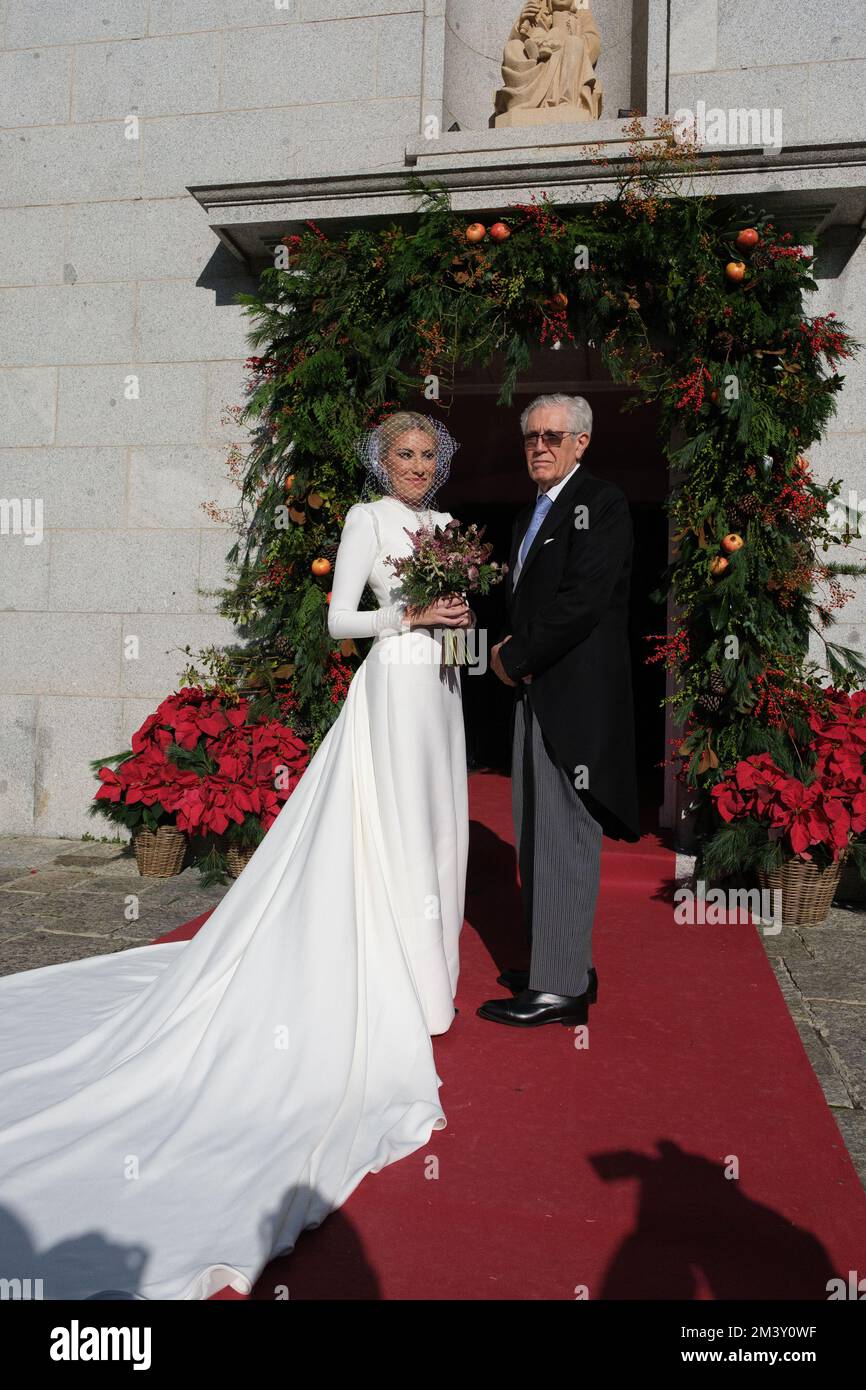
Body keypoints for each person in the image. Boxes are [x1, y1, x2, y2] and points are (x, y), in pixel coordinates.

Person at [0, 411, 472, 1300]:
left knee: (440, 833)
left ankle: (429, 980)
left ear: (441, 464)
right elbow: (340, 621)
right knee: (392, 831)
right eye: (402, 456)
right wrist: (408, 611)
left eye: (426, 456)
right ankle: (397, 981)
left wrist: (454, 621)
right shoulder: (368, 520)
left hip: (440, 692)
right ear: (383, 462)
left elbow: (457, 619)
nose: (415, 468)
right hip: (390, 692)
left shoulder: (450, 531)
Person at [479, 394, 639, 1029]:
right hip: (534, 695)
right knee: (532, 833)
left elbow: (582, 603)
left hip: (575, 700)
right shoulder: (527, 518)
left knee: (565, 838)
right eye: (530, 437)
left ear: (582, 442)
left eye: (553, 435)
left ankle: (560, 988)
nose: (539, 446)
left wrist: (512, 656)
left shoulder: (602, 504)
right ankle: (557, 960)